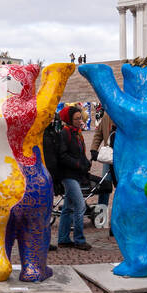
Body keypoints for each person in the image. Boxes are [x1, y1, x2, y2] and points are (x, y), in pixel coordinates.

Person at [53, 105, 91, 251]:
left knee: (68, 207)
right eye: (76, 118)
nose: (79, 120)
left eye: (80, 118)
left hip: (76, 174)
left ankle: (63, 239)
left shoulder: (77, 133)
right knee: (80, 206)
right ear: (69, 119)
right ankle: (79, 239)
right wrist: (77, 164)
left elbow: (79, 153)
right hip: (68, 175)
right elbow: (62, 155)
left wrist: (85, 162)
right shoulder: (65, 133)